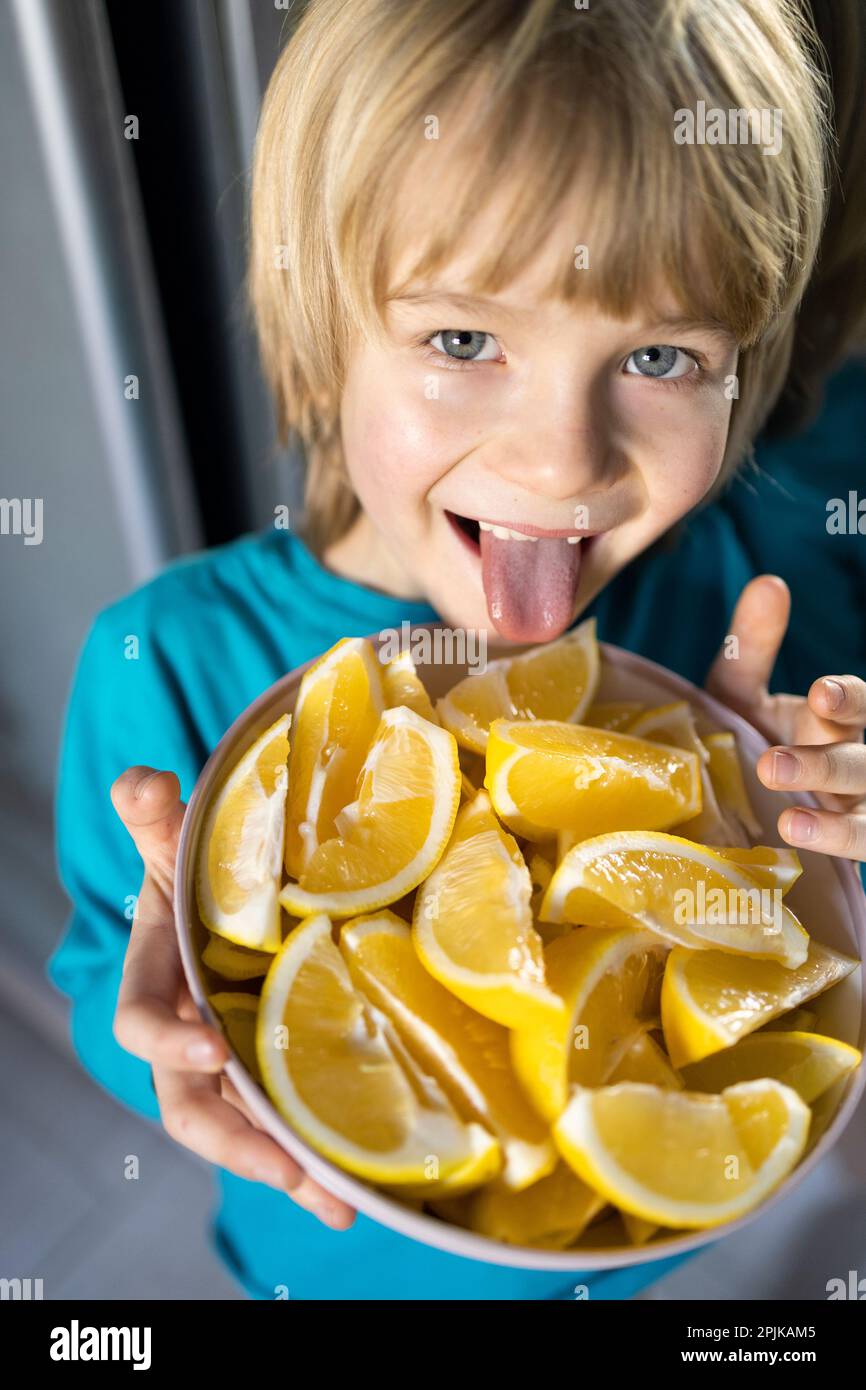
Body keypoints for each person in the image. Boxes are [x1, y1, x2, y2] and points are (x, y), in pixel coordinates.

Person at [50, 0, 866, 1299]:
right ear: (322, 338)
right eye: (462, 339)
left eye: (657, 353)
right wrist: (169, 1032)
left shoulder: (710, 599)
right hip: (325, 1263)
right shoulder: (171, 661)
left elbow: (746, 920)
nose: (562, 459)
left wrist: (802, 823)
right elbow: (102, 967)